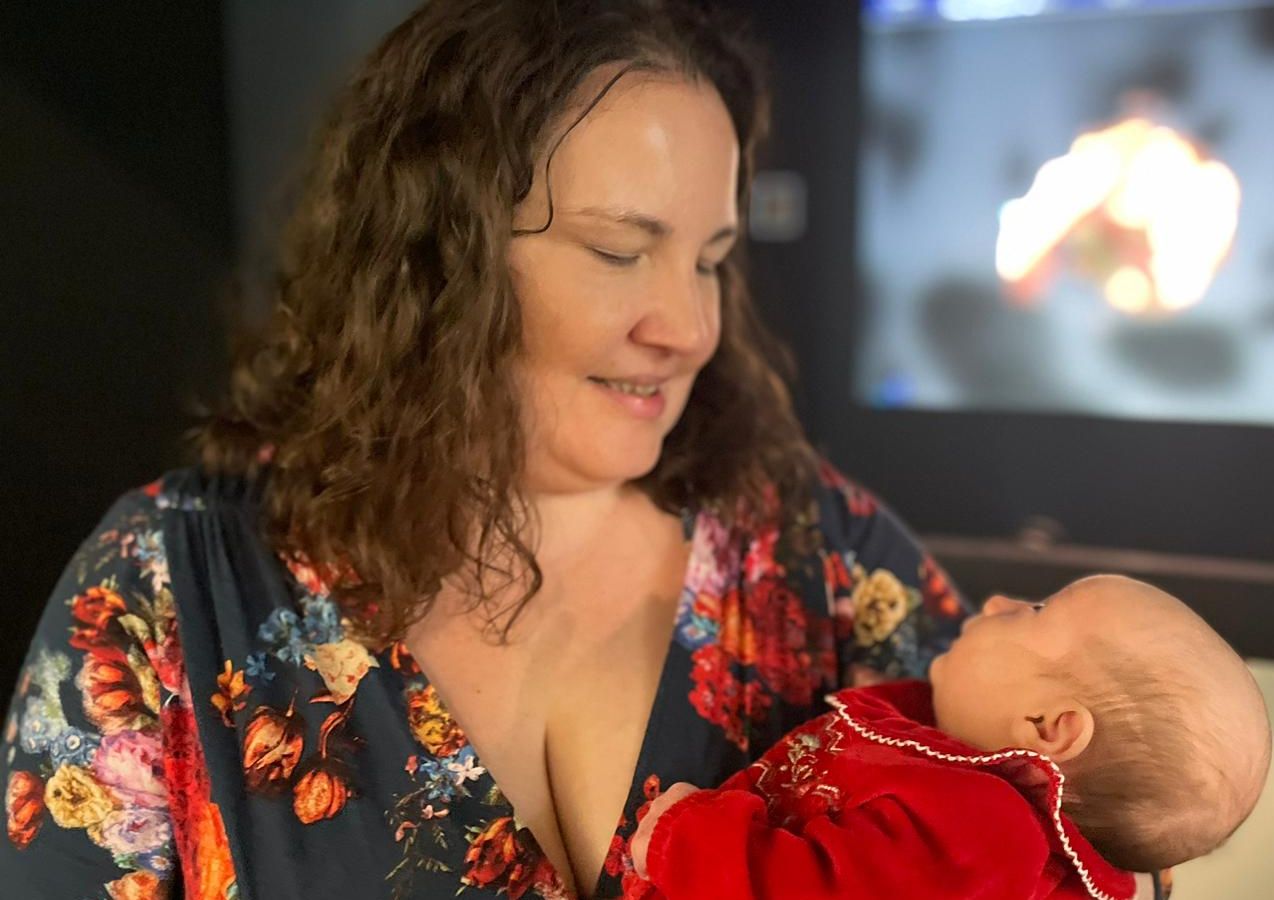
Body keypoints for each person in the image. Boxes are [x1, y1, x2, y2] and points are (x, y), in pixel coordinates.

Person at [0, 2, 971, 898]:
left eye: (709, 261)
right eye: (616, 250)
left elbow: (1052, 824)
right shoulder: (162, 592)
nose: (688, 326)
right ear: (433, 255)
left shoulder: (820, 555)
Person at [628, 575, 1271, 900]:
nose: (993, 602)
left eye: (1036, 612)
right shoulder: (960, 791)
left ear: (1048, 728)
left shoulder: (984, 831)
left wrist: (684, 836)